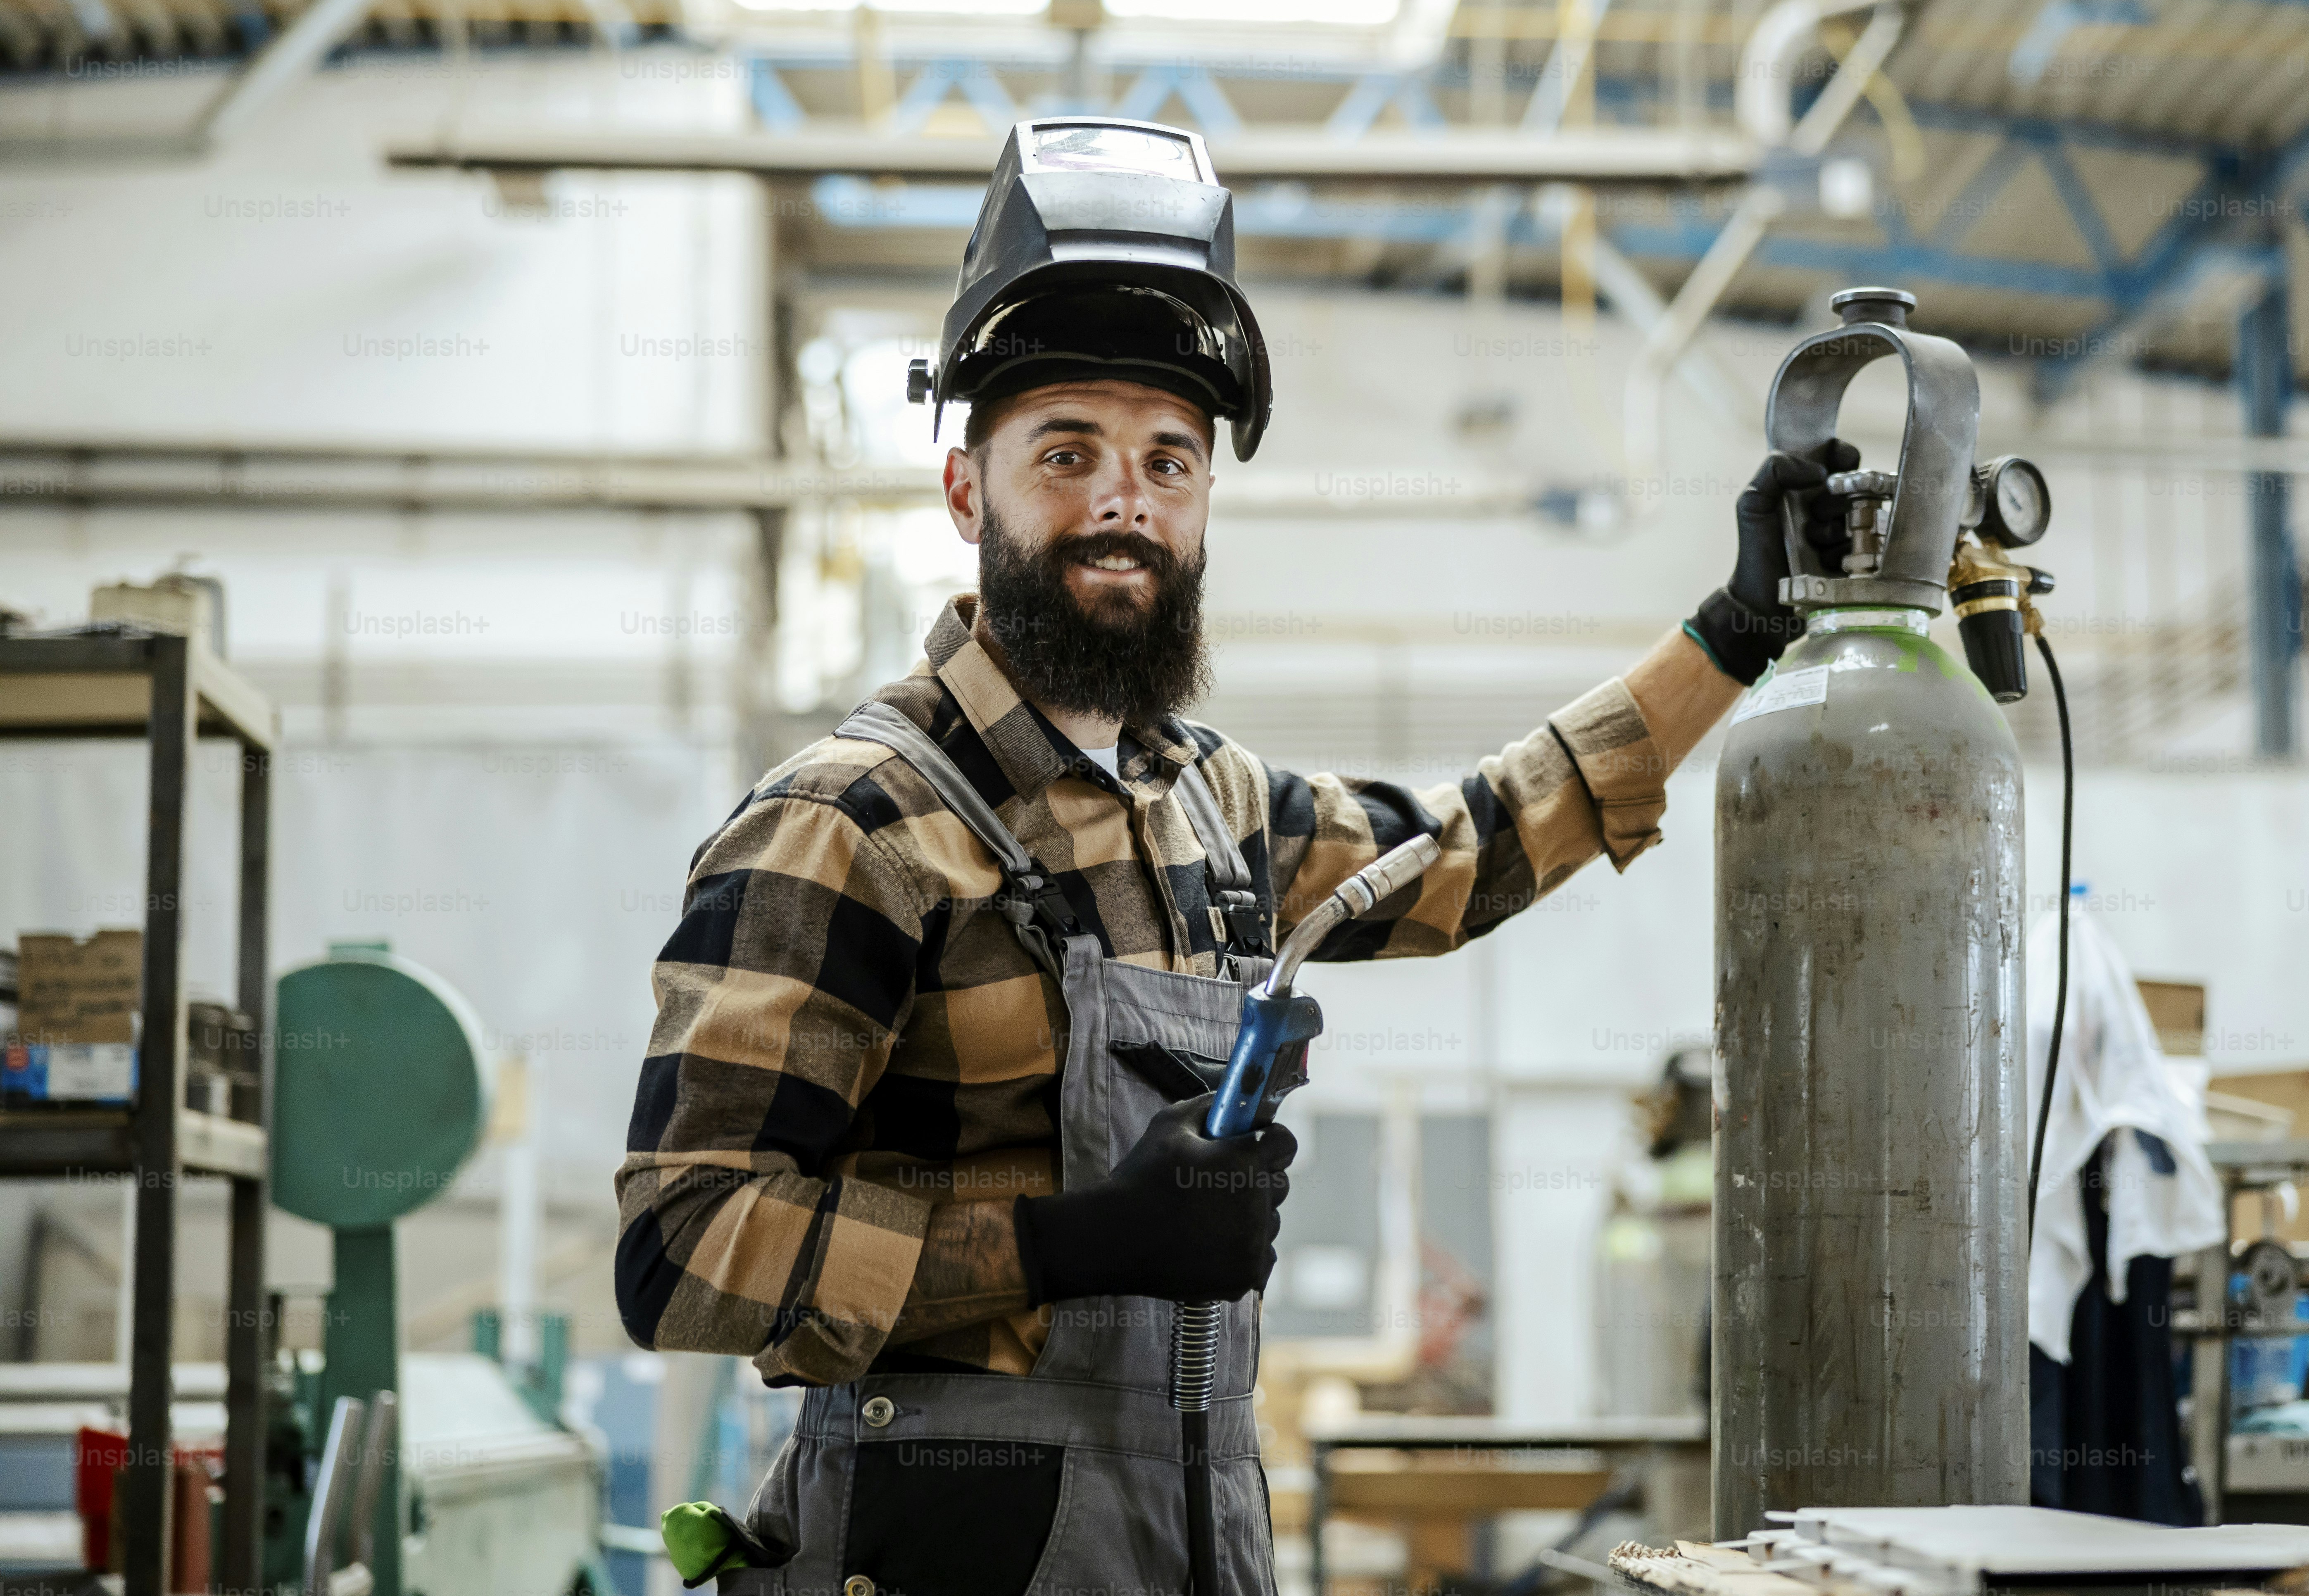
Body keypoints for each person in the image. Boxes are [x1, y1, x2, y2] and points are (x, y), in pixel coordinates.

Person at [612, 117, 1847, 1596]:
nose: (1122, 500)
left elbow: (1467, 851)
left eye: (1168, 461)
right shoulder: (851, 826)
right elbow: (679, 1247)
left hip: (1192, 1542)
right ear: (966, 493)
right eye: (1064, 454)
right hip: (931, 1545)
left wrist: (1732, 634)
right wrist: (1066, 1244)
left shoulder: (1211, 806)